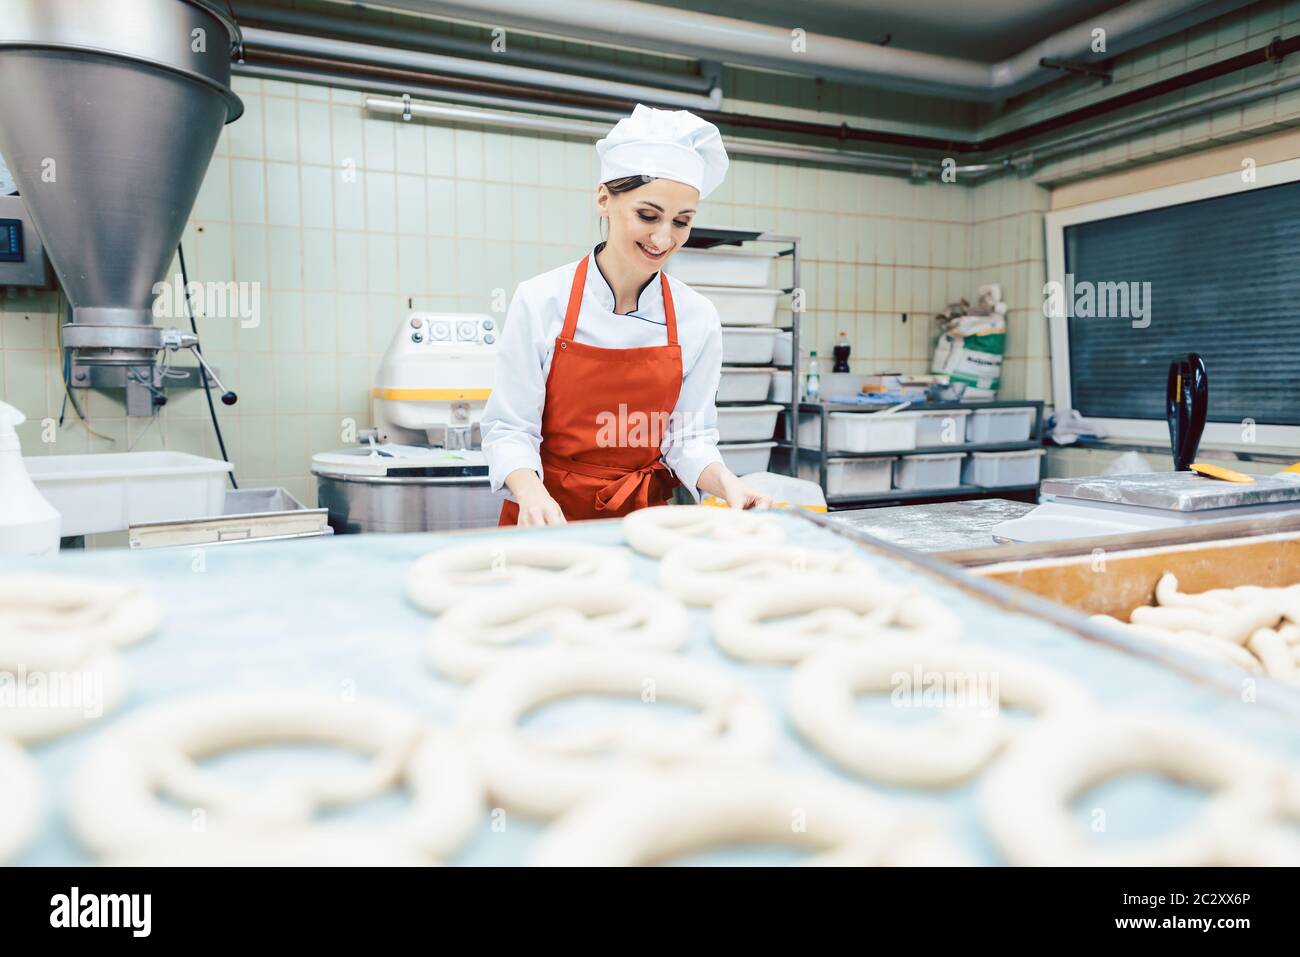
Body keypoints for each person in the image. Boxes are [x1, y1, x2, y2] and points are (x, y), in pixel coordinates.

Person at [481, 104, 774, 527]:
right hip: (545, 520)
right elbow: (509, 430)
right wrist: (531, 495)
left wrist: (729, 483)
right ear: (604, 199)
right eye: (647, 215)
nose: (663, 238)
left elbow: (689, 438)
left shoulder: (697, 317)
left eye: (682, 222)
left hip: (645, 525)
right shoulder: (541, 300)